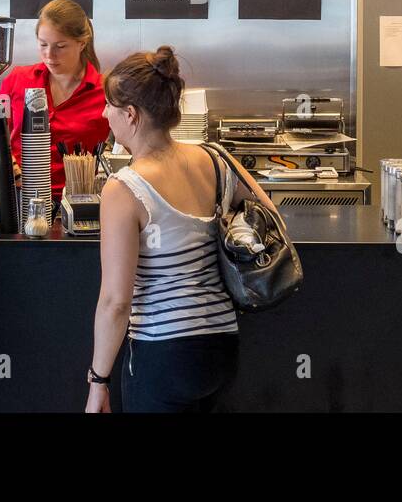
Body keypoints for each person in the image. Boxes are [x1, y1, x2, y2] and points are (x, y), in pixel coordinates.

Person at [85, 46, 278, 413]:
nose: (103, 112)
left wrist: (98, 380)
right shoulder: (216, 158)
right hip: (222, 347)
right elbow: (269, 216)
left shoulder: (125, 189)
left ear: (131, 115)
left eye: (109, 105)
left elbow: (115, 302)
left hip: (163, 353)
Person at [0, 0, 110, 204]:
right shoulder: (17, 80)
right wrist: (10, 167)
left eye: (60, 46)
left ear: (82, 43)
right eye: (43, 45)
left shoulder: (104, 93)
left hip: (76, 202)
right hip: (17, 198)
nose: (49, 55)